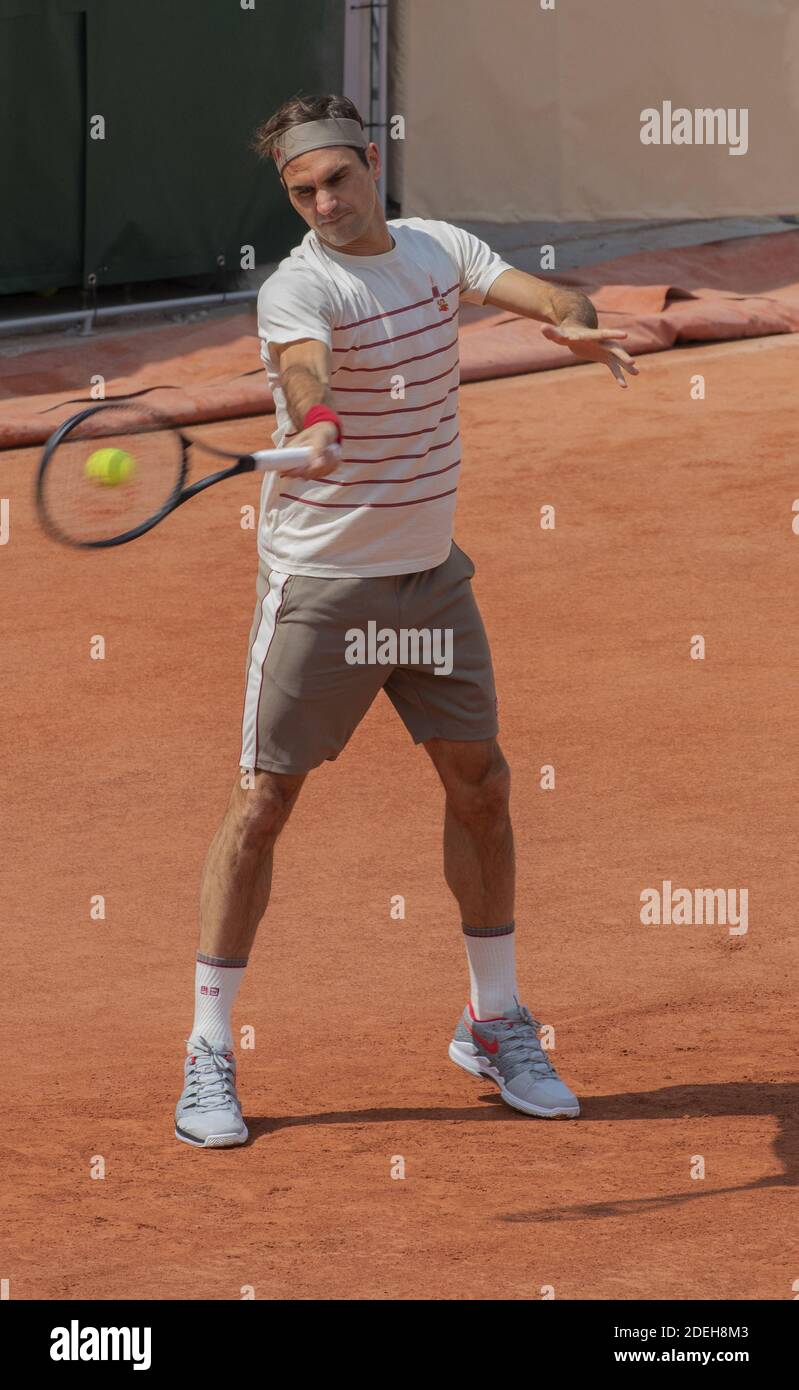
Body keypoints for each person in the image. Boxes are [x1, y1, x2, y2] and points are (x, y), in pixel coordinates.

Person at [174, 93, 637, 1148]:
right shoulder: (300, 284)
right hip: (323, 590)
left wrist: (571, 319)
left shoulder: (435, 248)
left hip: (429, 579)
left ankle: (493, 1020)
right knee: (262, 803)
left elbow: (520, 287)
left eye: (337, 178)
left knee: (481, 785)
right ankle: (207, 1048)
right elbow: (303, 363)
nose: (325, 202)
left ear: (370, 161)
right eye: (302, 190)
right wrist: (320, 415)